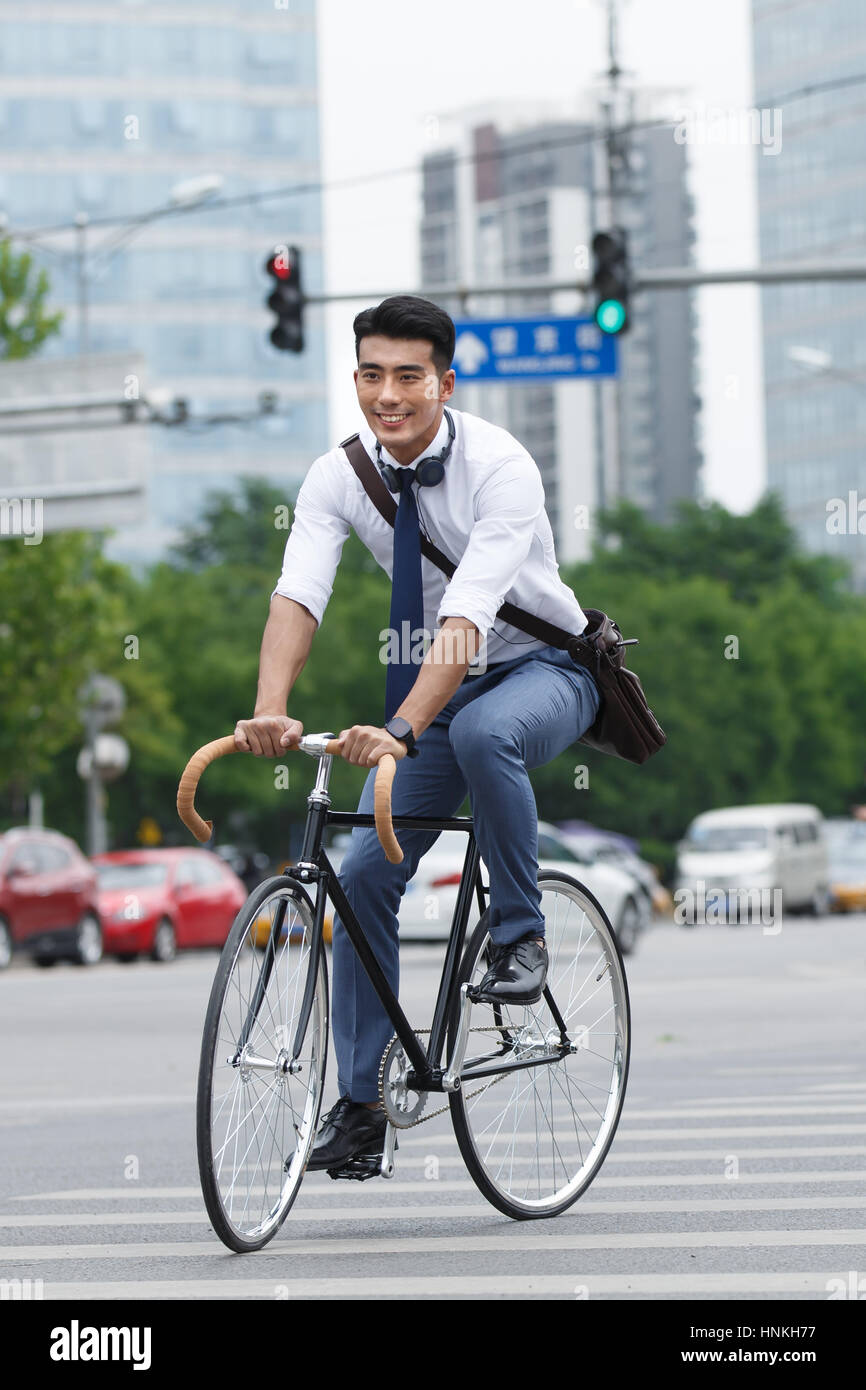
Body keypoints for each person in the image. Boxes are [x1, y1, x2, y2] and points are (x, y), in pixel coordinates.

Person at [234, 295, 600, 1173]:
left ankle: (520, 934)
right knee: (360, 873)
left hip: (543, 674)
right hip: (434, 695)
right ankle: (360, 1108)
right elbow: (298, 592)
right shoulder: (337, 476)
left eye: (408, 376)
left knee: (483, 735)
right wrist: (270, 706)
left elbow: (470, 613)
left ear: (445, 379)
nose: (386, 394)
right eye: (370, 375)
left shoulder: (501, 466)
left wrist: (400, 726)